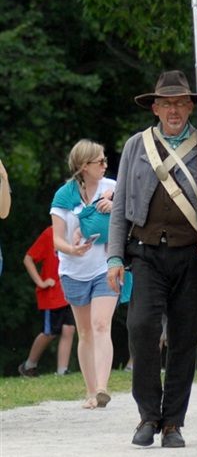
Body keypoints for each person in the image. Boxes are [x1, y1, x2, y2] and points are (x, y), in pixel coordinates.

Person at [106, 70, 197, 448]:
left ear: (190, 107)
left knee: (184, 337)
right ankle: (148, 415)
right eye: (167, 104)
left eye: (180, 103)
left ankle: (173, 421)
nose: (174, 110)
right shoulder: (135, 146)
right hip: (145, 253)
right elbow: (120, 209)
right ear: (155, 108)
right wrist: (114, 257)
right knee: (141, 328)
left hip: (192, 255)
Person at [51, 140, 119, 409]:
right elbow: (56, 239)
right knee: (85, 331)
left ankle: (102, 387)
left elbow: (133, 218)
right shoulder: (63, 196)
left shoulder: (113, 188)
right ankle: (91, 392)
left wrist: (114, 208)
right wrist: (72, 249)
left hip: (106, 266)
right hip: (73, 270)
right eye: (100, 161)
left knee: (102, 324)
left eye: (105, 160)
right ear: (83, 166)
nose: (105, 165)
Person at [18, 227, 77, 378]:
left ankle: (62, 371)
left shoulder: (79, 231)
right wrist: (41, 282)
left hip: (69, 290)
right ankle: (29, 365)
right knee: (49, 332)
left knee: (69, 328)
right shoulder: (50, 233)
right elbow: (28, 258)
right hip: (52, 294)